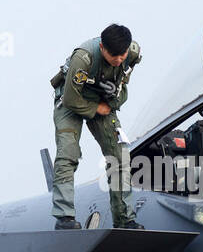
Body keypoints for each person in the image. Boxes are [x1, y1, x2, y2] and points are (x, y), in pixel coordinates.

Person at [50, 24, 144, 230]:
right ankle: (65, 217)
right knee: (68, 153)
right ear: (102, 47)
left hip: (101, 101)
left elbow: (122, 89)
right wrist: (96, 108)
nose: (118, 59)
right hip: (71, 101)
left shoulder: (132, 54)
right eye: (113, 55)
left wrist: (113, 98)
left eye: (122, 54)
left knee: (120, 156)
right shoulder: (84, 59)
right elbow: (70, 99)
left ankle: (124, 219)